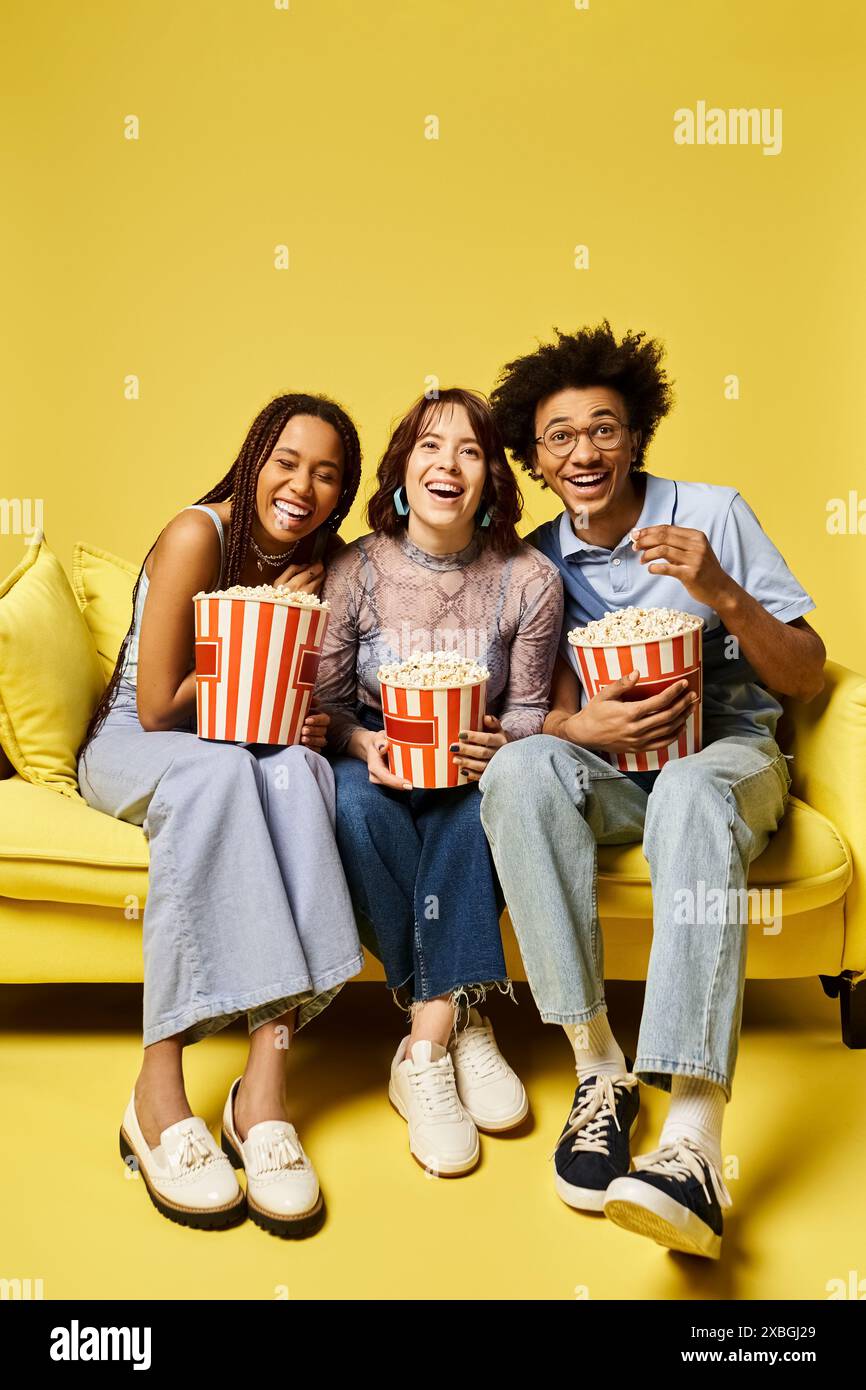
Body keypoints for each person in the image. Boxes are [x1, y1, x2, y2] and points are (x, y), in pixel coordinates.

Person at [478, 323, 825, 1258]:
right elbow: (535, 710)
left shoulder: (712, 513)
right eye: (560, 436)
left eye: (604, 429)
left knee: (686, 794)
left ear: (637, 438)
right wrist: (574, 729)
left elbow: (802, 676)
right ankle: (600, 1073)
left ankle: (693, 1142)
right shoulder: (537, 561)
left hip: (726, 756)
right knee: (518, 768)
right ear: (537, 458)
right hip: (615, 773)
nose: (584, 450)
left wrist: (720, 591)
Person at [76, 392, 365, 1238]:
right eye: (286, 463)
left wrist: (307, 715)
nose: (301, 488)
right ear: (252, 460)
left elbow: (300, 709)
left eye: (325, 476)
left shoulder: (326, 559)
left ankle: (262, 1094)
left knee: (300, 774)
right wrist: (263, 629)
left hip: (239, 741)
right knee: (219, 780)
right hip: (138, 739)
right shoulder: (198, 534)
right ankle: (156, 1093)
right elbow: (163, 705)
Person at [316, 387, 563, 1176]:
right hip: (376, 758)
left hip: (469, 771)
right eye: (429, 445)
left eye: (470, 450)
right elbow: (322, 703)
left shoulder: (529, 579)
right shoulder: (354, 568)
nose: (447, 464)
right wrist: (364, 742)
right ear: (401, 467)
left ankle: (422, 1048)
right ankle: (461, 1009)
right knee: (353, 813)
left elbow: (528, 710)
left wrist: (500, 744)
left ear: (492, 475)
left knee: (474, 817)